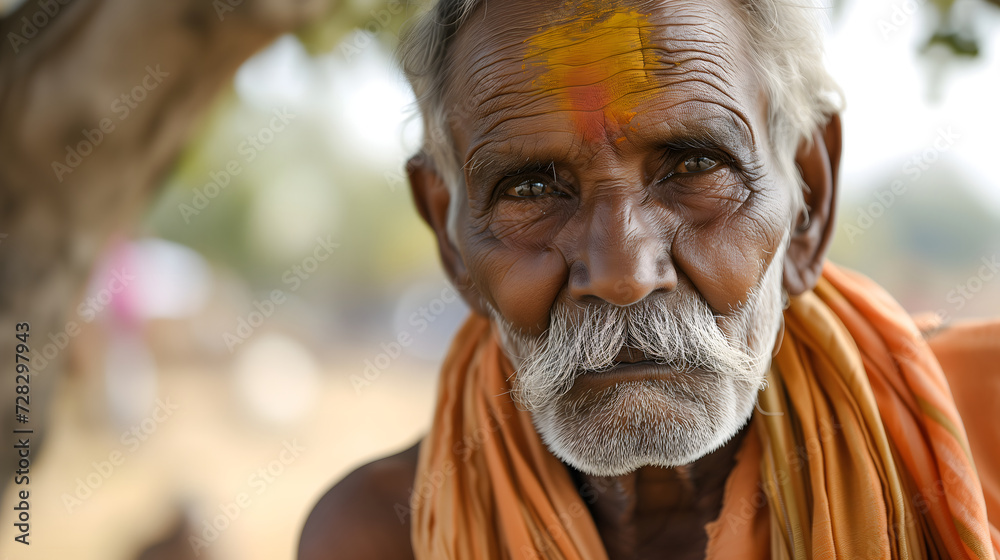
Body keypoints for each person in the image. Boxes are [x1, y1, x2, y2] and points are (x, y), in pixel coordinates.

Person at [299, 0, 1000, 558]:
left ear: (809, 197)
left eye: (694, 166)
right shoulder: (383, 536)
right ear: (449, 236)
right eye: (533, 188)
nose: (622, 274)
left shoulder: (986, 426)